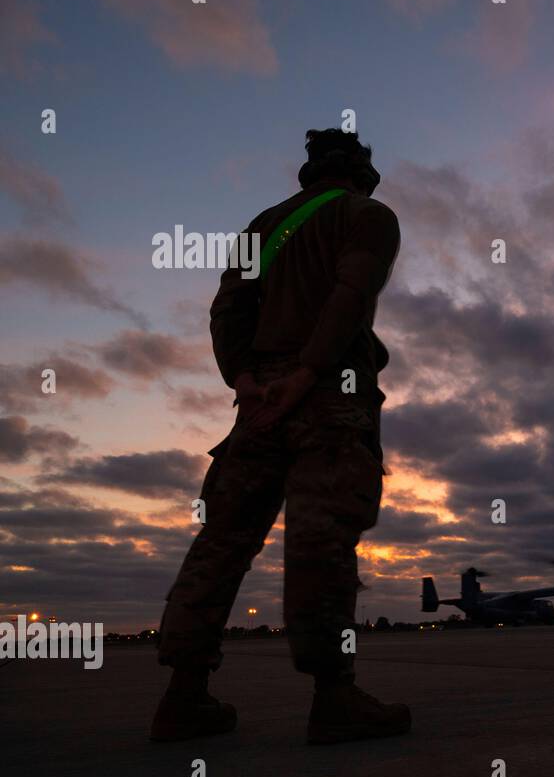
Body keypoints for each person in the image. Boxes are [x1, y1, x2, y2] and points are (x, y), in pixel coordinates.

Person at [151, 128, 410, 745]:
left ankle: (183, 697)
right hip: (327, 389)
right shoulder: (366, 215)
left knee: (222, 541)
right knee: (322, 541)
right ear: (361, 173)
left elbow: (227, 310)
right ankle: (334, 696)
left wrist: (244, 379)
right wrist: (308, 373)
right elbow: (351, 294)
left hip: (259, 401)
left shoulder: (262, 228)